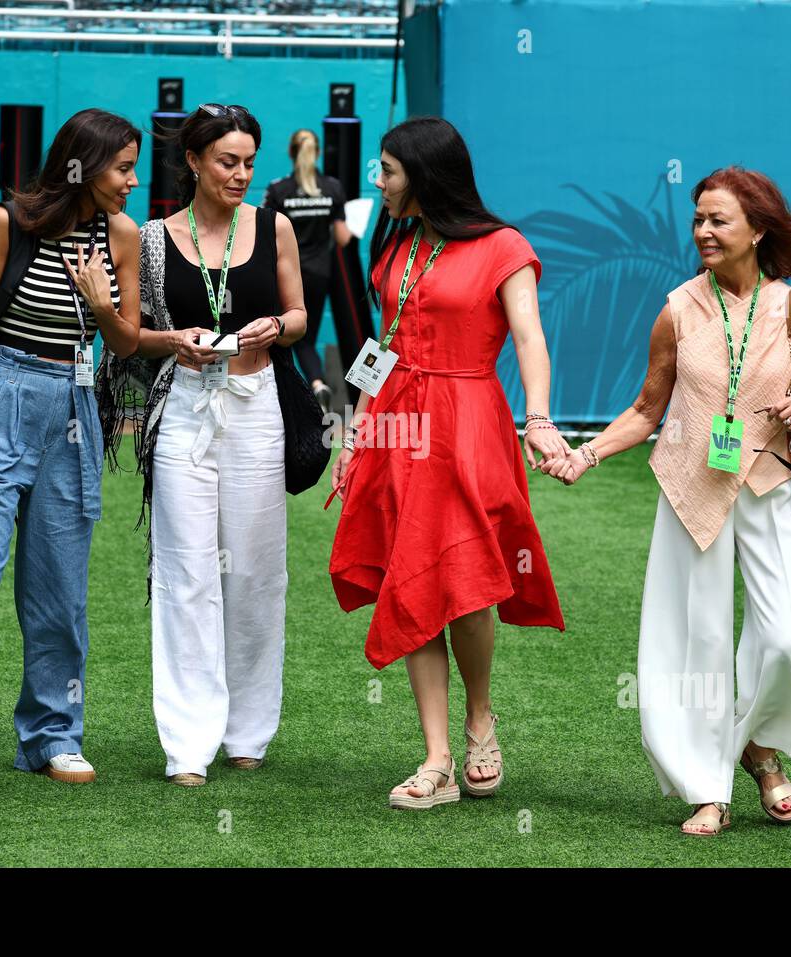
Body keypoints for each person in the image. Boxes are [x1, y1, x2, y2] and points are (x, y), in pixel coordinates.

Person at [542, 166, 791, 836]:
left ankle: (753, 742)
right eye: (698, 220)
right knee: (699, 643)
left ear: (757, 230)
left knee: (783, 634)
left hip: (770, 482)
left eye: (718, 221)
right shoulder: (678, 308)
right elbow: (646, 408)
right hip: (692, 486)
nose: (703, 232)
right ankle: (710, 786)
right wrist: (584, 454)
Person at [326, 116, 568, 810]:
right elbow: (384, 343)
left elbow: (529, 338)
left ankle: (480, 717)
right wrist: (355, 430)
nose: (378, 181)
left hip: (468, 422)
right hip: (398, 424)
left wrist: (540, 417)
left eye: (389, 171)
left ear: (425, 175)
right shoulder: (399, 241)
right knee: (412, 576)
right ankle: (435, 757)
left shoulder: (503, 246)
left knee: (464, 575)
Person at [0, 109, 141, 799]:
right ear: (84, 163)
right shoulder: (10, 223)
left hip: (73, 406)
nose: (132, 181)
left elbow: (126, 343)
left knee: (61, 592)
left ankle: (52, 736)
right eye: (123, 168)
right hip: (1, 401)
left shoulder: (121, 236)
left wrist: (102, 308)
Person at [98, 104, 307, 787]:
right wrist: (172, 342)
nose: (242, 175)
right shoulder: (153, 236)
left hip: (257, 408)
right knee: (185, 572)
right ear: (193, 161)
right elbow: (128, 337)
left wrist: (276, 326)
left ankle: (248, 731)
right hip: (184, 408)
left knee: (253, 571)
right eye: (227, 162)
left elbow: (302, 315)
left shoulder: (273, 225)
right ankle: (189, 743)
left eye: (250, 161)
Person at [262, 129, 352, 409]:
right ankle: (318, 383)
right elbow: (343, 238)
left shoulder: (278, 190)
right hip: (320, 274)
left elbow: (264, 235)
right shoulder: (333, 188)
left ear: (291, 153)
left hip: (287, 273)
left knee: (287, 334)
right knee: (306, 336)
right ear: (318, 153)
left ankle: (300, 390)